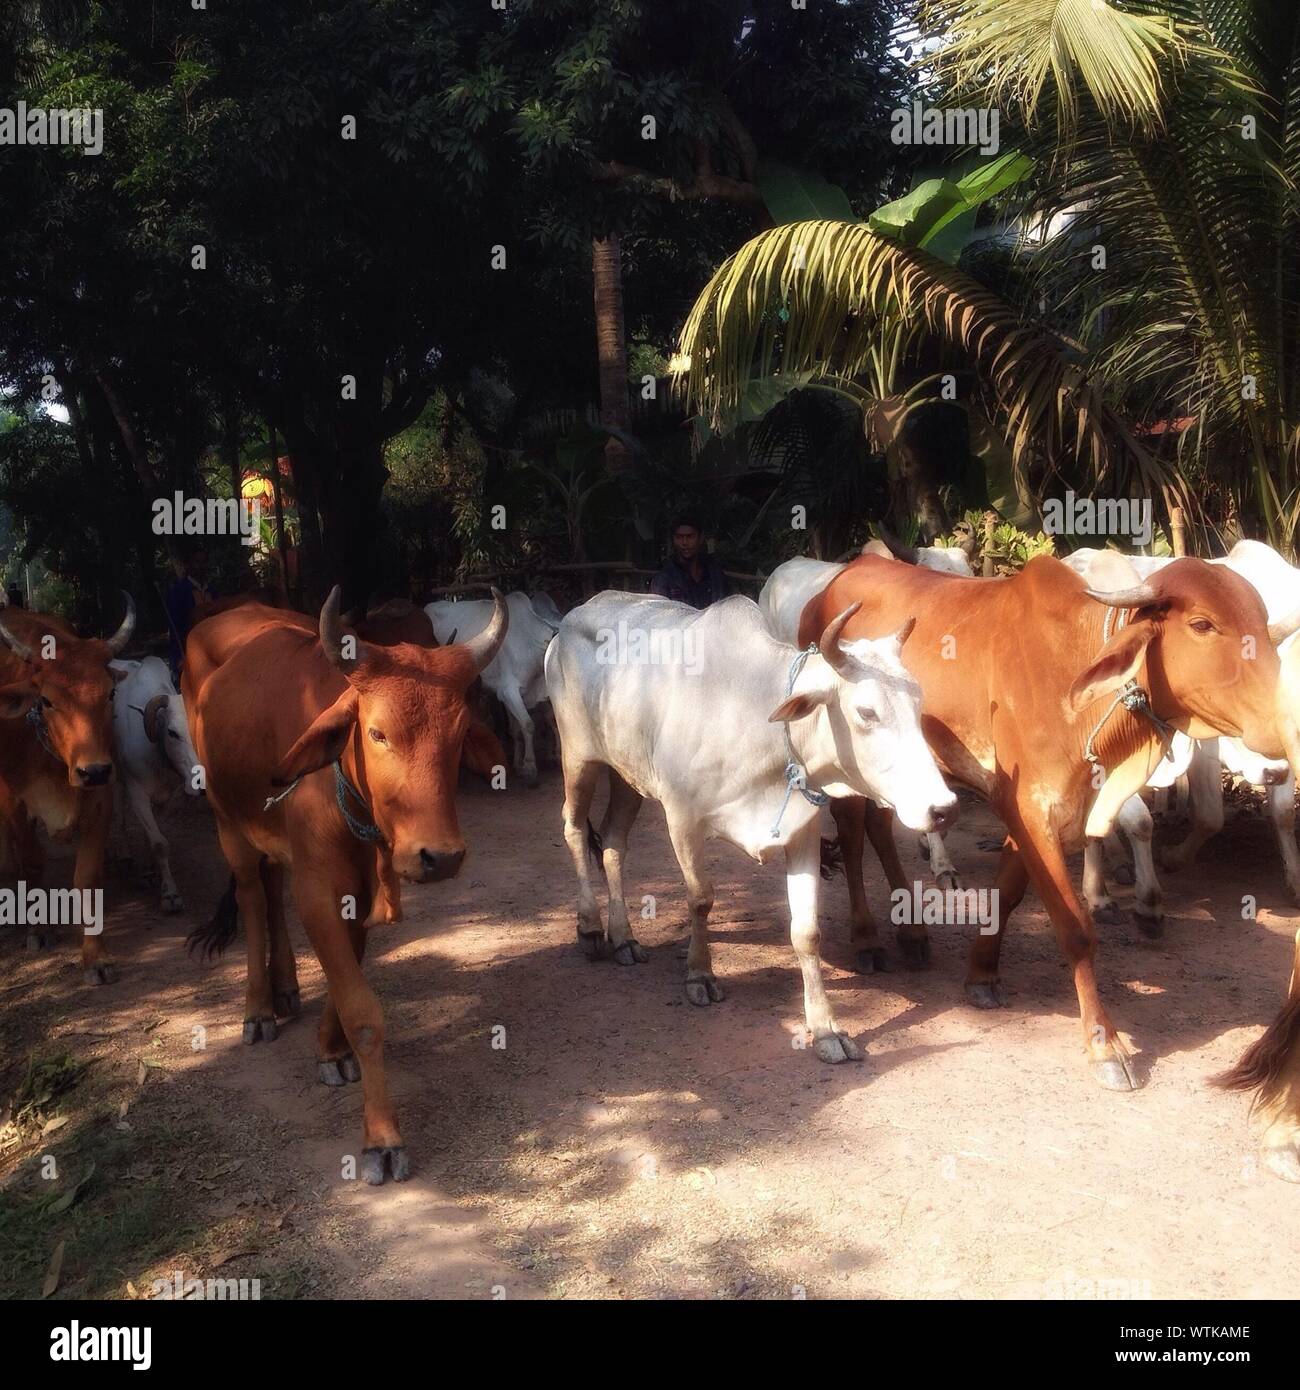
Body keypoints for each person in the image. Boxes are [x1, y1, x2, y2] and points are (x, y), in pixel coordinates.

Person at [649, 515, 728, 609]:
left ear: (700, 538)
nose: (685, 543)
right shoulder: (663, 579)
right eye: (679, 537)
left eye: (690, 537)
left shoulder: (714, 574)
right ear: (673, 540)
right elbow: (658, 615)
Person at [164, 546, 213, 680]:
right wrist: (179, 657)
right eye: (197, 562)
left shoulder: (213, 590)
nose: (201, 566)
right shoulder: (179, 591)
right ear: (189, 565)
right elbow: (175, 627)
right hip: (189, 649)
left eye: (204, 562)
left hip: (212, 647)